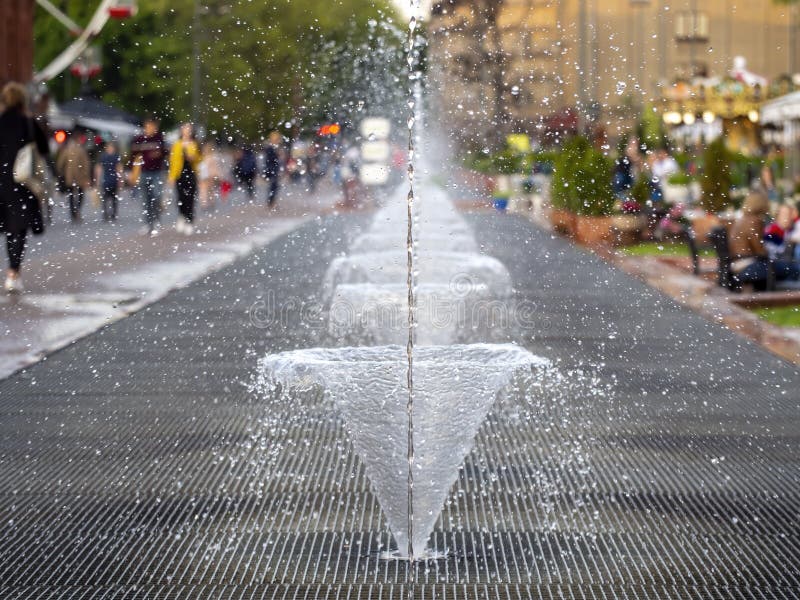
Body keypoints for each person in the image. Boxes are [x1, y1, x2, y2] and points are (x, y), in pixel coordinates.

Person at [0, 82, 49, 293]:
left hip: (0, 184)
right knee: (17, 230)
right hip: (22, 182)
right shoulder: (28, 123)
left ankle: (12, 271)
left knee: (7, 228)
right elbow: (44, 149)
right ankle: (13, 272)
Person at [729, 191, 800, 287]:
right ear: (760, 204)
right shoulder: (755, 221)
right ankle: (789, 292)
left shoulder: (741, 220)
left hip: (737, 264)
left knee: (786, 267)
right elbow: (761, 251)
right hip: (748, 266)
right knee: (793, 268)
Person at [131, 117, 167, 236]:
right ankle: (147, 223)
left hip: (157, 172)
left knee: (156, 196)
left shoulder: (159, 138)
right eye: (148, 126)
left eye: (152, 126)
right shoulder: (140, 139)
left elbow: (165, 151)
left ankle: (156, 221)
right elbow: (133, 151)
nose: (150, 129)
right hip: (144, 171)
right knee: (145, 199)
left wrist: (159, 153)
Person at [168, 123, 201, 235]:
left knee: (190, 197)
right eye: (185, 129)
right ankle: (182, 216)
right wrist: (171, 176)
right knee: (180, 197)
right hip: (180, 174)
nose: (187, 131)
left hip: (191, 173)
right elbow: (173, 161)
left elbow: (199, 159)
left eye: (189, 129)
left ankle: (190, 221)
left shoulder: (195, 144)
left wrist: (193, 157)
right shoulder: (177, 144)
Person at [56, 133, 91, 223]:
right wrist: (86, 176)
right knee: (80, 194)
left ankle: (73, 213)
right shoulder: (81, 150)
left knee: (71, 195)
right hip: (80, 176)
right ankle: (77, 210)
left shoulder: (66, 150)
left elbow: (60, 163)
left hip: (69, 176)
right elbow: (86, 164)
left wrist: (61, 173)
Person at [95, 141, 122, 222]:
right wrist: (98, 179)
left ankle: (113, 214)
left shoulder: (113, 156)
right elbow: (99, 168)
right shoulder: (104, 157)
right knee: (105, 198)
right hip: (106, 180)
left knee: (113, 198)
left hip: (113, 180)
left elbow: (119, 168)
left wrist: (120, 179)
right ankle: (106, 214)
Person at [198, 142, 221, 211]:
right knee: (210, 190)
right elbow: (215, 167)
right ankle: (210, 202)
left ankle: (204, 203)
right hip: (209, 175)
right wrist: (217, 175)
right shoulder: (212, 157)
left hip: (204, 175)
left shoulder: (202, 157)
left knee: (203, 190)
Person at [263, 131, 282, 206]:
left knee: (274, 186)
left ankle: (271, 201)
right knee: (273, 186)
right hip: (271, 169)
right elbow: (269, 159)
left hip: (273, 169)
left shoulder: (274, 147)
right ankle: (271, 201)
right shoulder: (270, 148)